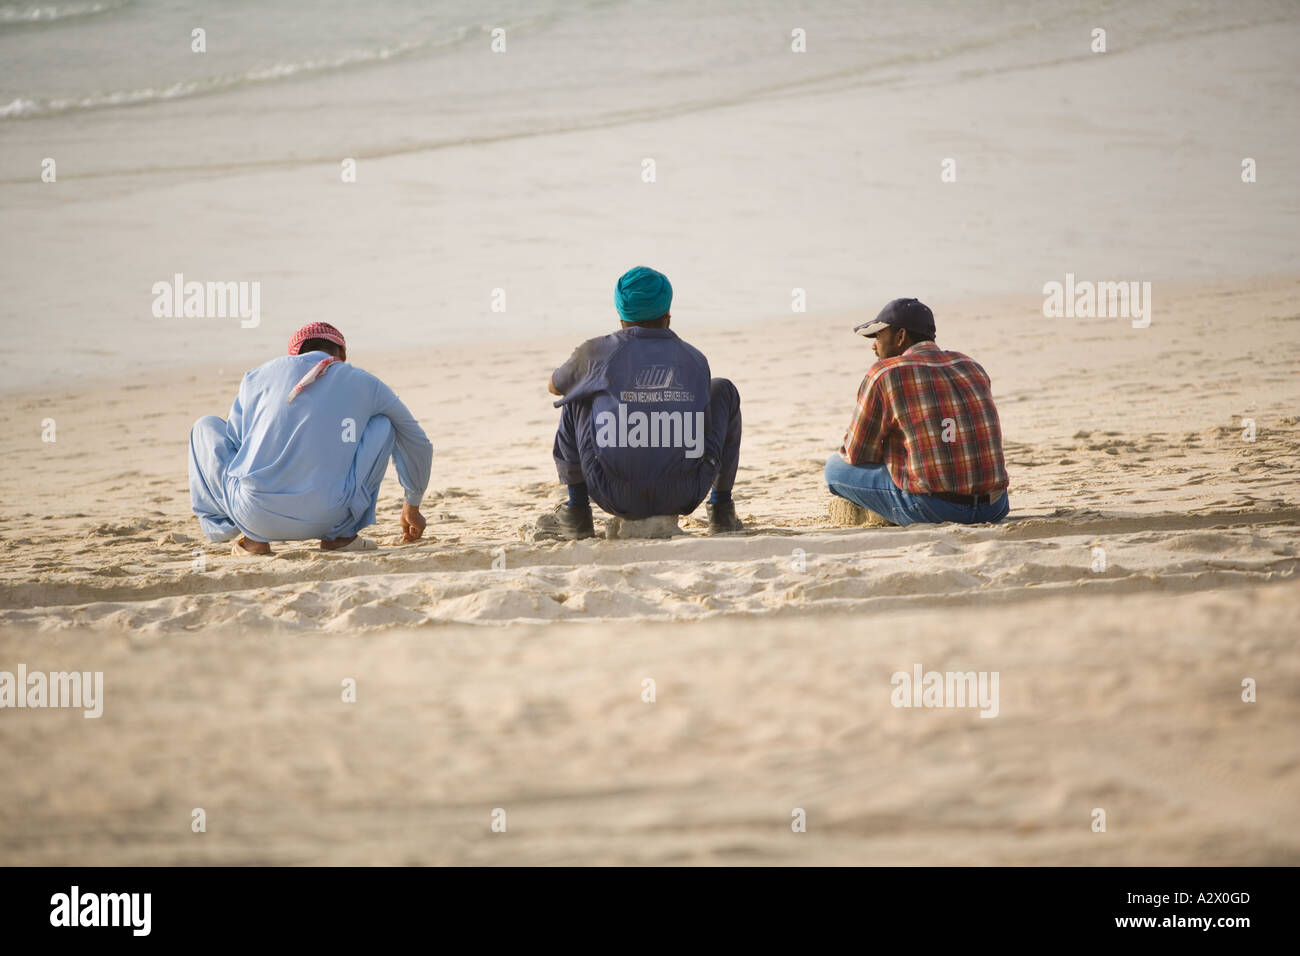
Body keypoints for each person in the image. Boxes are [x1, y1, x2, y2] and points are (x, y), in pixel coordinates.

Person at [188, 321, 432, 555]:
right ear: (342, 353)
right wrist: (412, 504)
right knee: (384, 425)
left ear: (293, 355)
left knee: (206, 426)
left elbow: (238, 444)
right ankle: (342, 537)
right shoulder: (366, 382)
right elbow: (417, 441)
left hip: (254, 515)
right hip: (329, 517)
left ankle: (250, 539)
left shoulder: (257, 376)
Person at [536, 266, 743, 540]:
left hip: (614, 493)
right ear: (668, 312)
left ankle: (576, 510)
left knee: (578, 392)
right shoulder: (695, 358)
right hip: (686, 492)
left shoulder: (596, 352)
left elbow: (554, 386)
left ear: (621, 314)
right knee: (723, 389)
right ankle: (721, 509)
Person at [825, 298, 1009, 526]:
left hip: (933, 510)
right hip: (994, 506)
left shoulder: (884, 374)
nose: (874, 345)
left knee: (834, 469)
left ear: (900, 337)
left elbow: (858, 454)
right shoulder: (971, 365)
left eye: (878, 336)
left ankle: (888, 509)